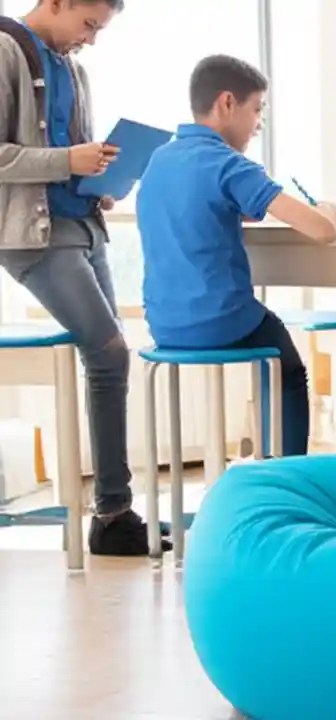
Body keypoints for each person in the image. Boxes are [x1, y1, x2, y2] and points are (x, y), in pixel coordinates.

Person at [0, 0, 166, 555]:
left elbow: (73, 154)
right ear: (59, 2)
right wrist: (67, 161)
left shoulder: (72, 67)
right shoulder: (5, 50)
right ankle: (114, 513)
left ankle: (114, 514)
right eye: (88, 23)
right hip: (33, 234)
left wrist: (102, 177)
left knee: (110, 357)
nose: (91, 39)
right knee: (109, 352)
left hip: (82, 225)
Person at [137, 54, 336, 458]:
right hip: (222, 321)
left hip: (164, 325)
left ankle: (265, 466)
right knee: (290, 370)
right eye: (257, 110)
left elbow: (206, 205)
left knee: (270, 346)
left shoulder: (159, 159)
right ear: (227, 103)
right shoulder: (230, 164)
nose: (259, 123)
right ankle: (285, 476)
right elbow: (321, 230)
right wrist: (330, 210)